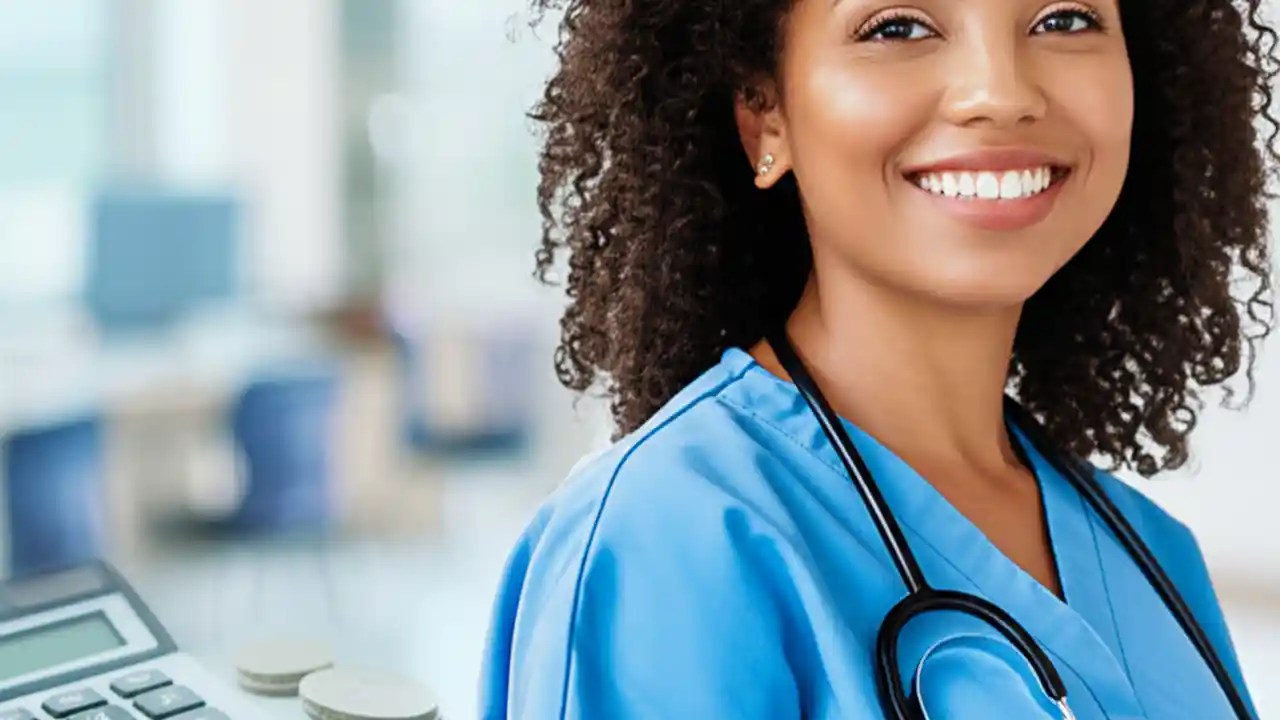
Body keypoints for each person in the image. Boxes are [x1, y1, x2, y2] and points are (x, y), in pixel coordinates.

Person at [480, 0, 1279, 717]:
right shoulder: (665, 536)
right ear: (765, 117)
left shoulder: (1154, 559)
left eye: (1064, 18)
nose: (1001, 91)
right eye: (897, 27)